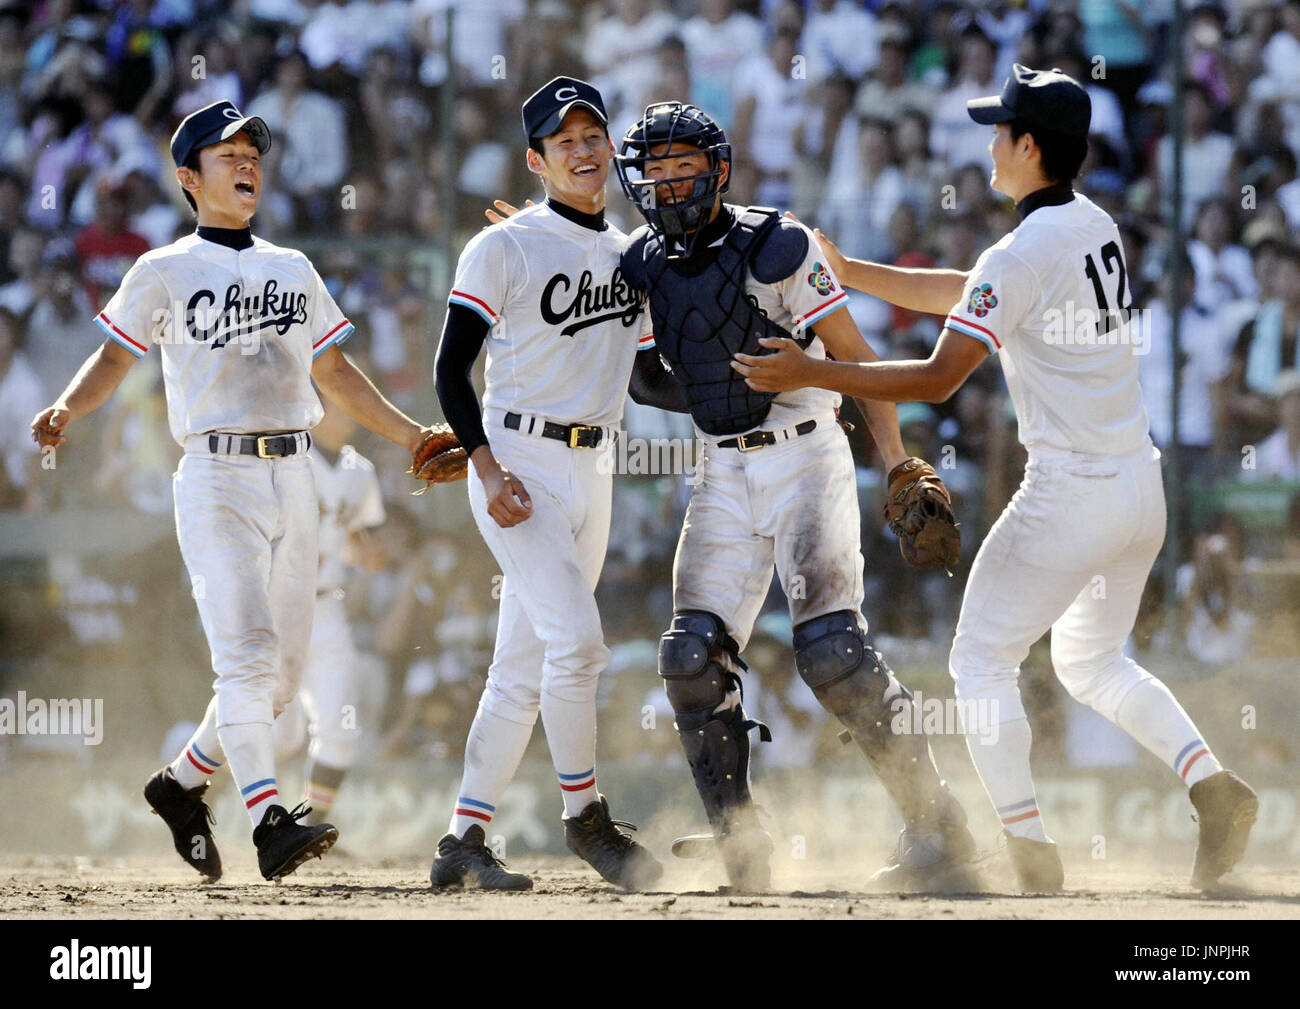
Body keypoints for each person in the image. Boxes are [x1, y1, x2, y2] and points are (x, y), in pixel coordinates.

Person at [732, 65, 1259, 893]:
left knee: (978, 658)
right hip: (1137, 490)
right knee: (1089, 662)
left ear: (1028, 146)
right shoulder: (1092, 225)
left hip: (1073, 491)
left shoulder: (1021, 252)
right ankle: (1214, 789)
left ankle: (1029, 851)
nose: (989, 142)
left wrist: (813, 369)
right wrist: (853, 271)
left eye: (999, 129)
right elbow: (975, 291)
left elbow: (942, 375)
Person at [29, 101, 435, 882]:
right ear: (188, 177)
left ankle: (181, 781)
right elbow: (114, 359)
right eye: (227, 154)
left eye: (253, 151)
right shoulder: (163, 269)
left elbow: (335, 374)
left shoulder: (292, 267)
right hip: (215, 474)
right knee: (247, 660)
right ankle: (268, 821)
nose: (247, 162)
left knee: (279, 682)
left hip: (294, 472)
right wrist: (66, 409)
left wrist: (412, 435)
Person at [614, 101, 979, 892]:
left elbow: (859, 357)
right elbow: (647, 374)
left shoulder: (780, 247)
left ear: (717, 169)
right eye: (657, 169)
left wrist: (897, 463)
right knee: (687, 657)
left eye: (685, 166)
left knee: (832, 654)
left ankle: (938, 825)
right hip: (721, 466)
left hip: (808, 452)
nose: (671, 183)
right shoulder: (641, 262)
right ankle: (741, 841)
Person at [428, 77, 677, 893]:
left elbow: (648, 381)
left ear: (609, 146)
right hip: (519, 460)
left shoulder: (628, 252)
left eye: (591, 133)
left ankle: (462, 841)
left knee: (521, 670)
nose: (581, 148)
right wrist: (485, 466)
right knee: (579, 645)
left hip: (594, 466)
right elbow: (449, 368)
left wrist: (752, 389)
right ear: (535, 159)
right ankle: (586, 819)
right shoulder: (503, 246)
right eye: (561, 139)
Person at [273, 397, 388, 824]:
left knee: (341, 729)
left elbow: (355, 538)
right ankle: (198, 791)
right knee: (281, 736)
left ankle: (309, 827)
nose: (349, 413)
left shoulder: (360, 471)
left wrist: (366, 554)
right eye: (340, 405)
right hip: (278, 608)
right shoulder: (285, 457)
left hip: (327, 607)